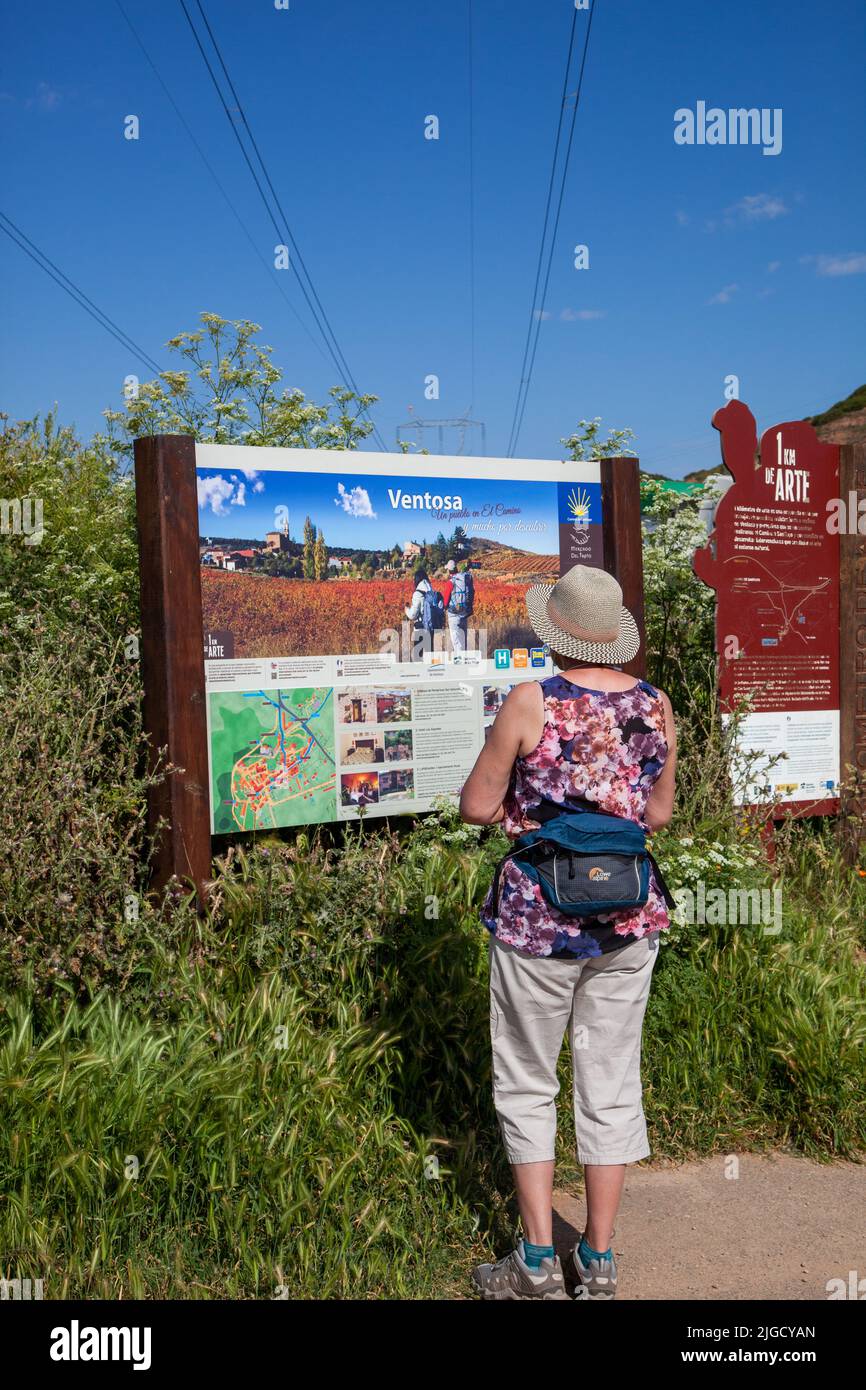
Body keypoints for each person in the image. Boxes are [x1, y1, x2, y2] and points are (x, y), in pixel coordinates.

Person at [459, 564, 677, 1302]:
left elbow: (477, 807)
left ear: (556, 633)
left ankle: (536, 1262)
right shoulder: (656, 704)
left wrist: (527, 806)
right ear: (613, 635)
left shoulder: (530, 701)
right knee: (609, 1082)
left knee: (528, 1079)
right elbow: (656, 818)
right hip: (626, 920)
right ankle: (602, 1262)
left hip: (536, 921)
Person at [404, 567, 445, 659]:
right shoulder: (432, 592)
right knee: (429, 658)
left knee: (417, 658)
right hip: (431, 629)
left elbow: (413, 615)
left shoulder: (418, 594)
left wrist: (406, 609)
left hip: (420, 629)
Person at [442, 559, 474, 654]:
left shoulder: (450, 582)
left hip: (454, 614)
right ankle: (464, 659)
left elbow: (445, 600)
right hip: (464, 613)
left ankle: (460, 663)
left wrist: (444, 608)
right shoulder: (463, 579)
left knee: (456, 641)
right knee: (463, 639)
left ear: (449, 570)